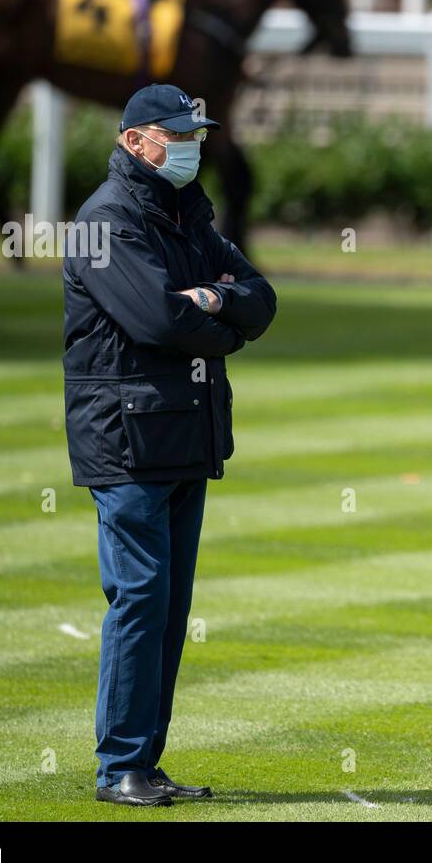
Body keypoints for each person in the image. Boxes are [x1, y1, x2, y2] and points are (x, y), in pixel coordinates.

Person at [61, 83, 277, 806]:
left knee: (169, 603)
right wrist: (212, 311)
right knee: (141, 597)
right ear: (134, 141)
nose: (189, 145)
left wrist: (210, 300)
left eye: (194, 134)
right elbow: (155, 321)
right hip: (126, 441)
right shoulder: (104, 221)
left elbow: (261, 299)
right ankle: (119, 765)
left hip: (185, 431)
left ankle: (144, 766)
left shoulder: (189, 214)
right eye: (175, 134)